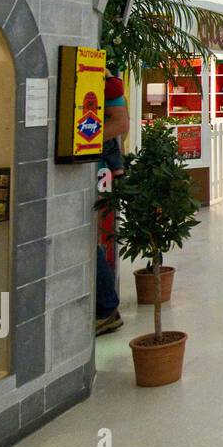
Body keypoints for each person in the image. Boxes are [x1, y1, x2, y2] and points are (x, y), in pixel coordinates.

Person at [95, 67, 129, 336]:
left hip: (98, 170)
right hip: (98, 166)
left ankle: (106, 308)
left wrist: (82, 139)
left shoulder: (107, 81)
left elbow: (120, 123)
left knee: (90, 240)